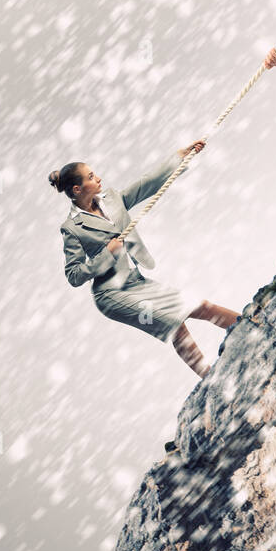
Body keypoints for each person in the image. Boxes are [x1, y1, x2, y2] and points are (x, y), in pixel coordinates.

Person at [50, 142, 239, 378]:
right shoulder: (71, 228)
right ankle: (211, 379)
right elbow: (74, 275)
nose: (98, 178)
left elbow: (146, 184)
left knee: (200, 306)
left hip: (137, 282)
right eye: (91, 176)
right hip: (112, 295)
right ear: (77, 189)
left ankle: (252, 325)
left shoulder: (111, 199)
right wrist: (106, 253)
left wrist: (178, 158)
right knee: (173, 323)